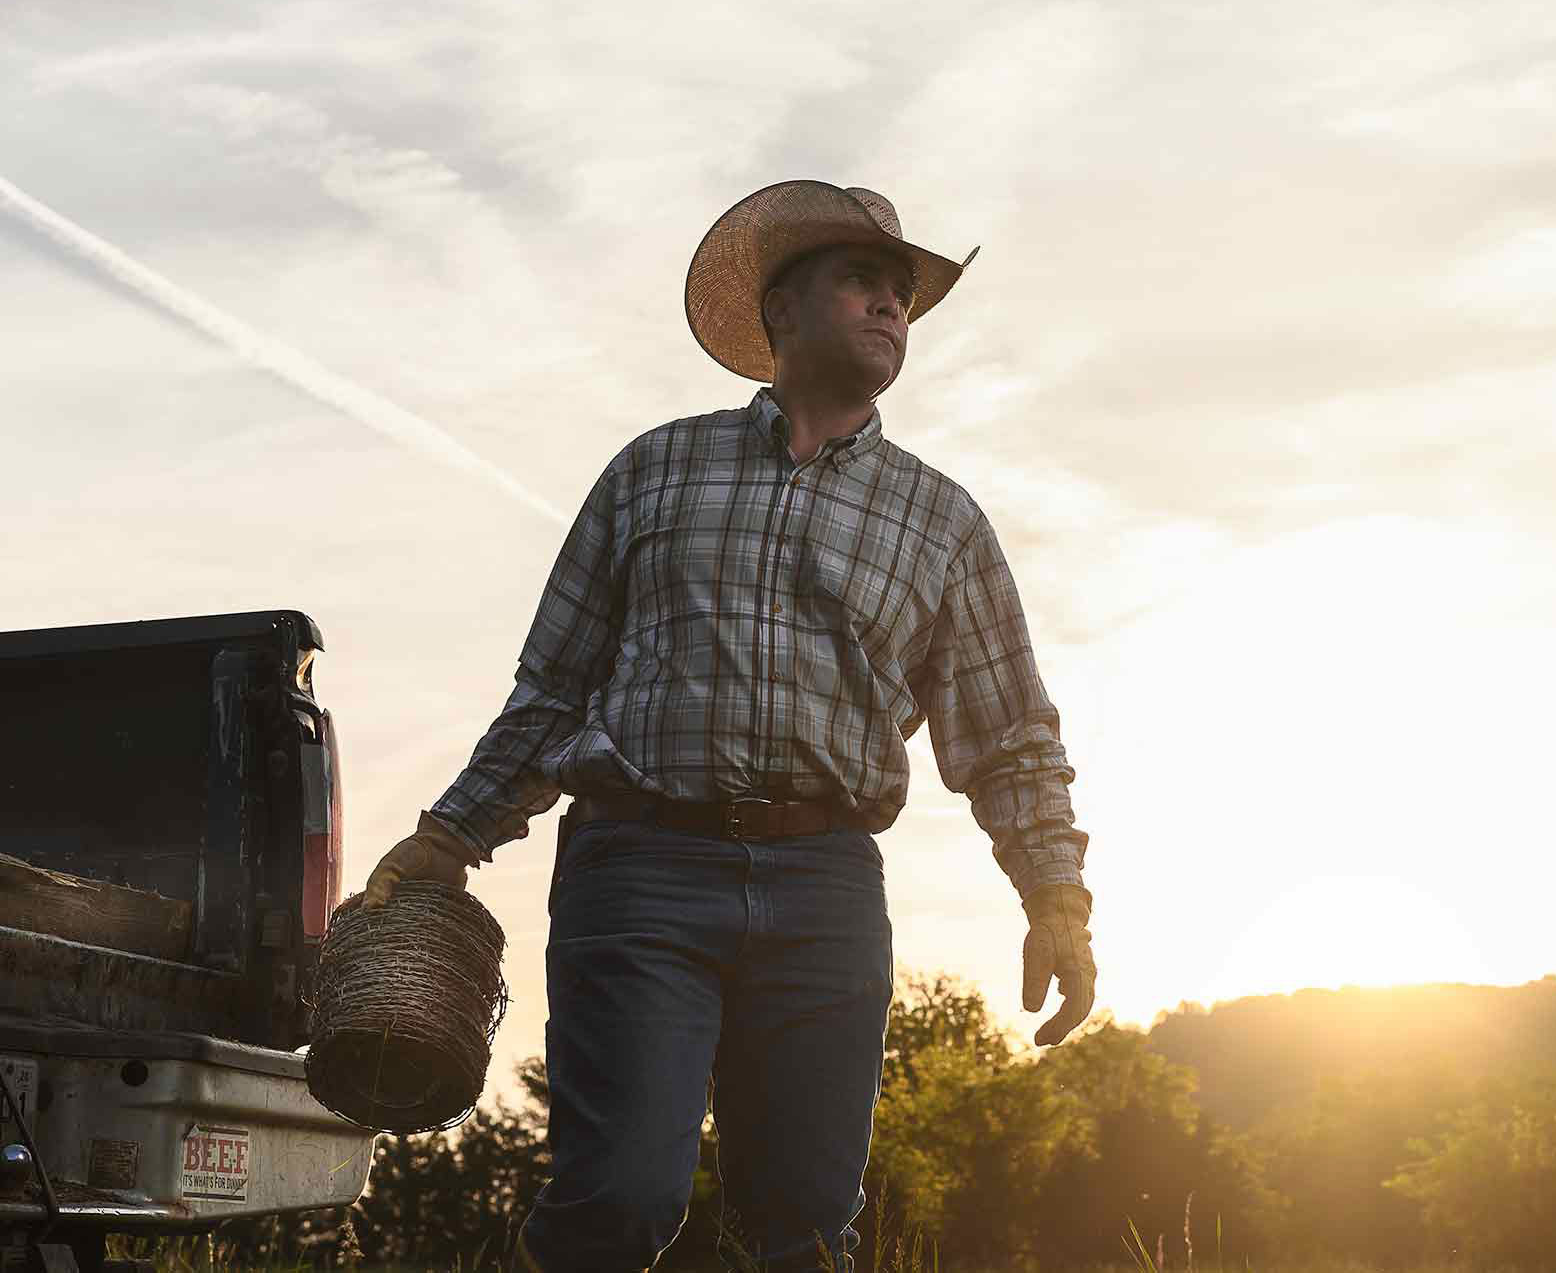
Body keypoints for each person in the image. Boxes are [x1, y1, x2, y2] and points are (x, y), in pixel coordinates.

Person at [359, 181, 1097, 1272]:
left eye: (901, 293)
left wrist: (1055, 897)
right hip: (640, 866)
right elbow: (553, 685)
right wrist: (448, 837)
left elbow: (1009, 736)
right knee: (617, 1196)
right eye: (861, 281)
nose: (890, 306)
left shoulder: (942, 521)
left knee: (802, 1221)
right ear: (781, 313)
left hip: (826, 887)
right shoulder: (654, 471)